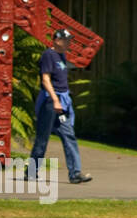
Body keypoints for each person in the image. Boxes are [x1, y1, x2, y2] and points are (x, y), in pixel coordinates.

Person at [29, 28, 91, 184]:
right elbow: (45, 79)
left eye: (69, 40)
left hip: (62, 102)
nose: (68, 43)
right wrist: (55, 99)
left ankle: (75, 173)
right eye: (66, 40)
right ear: (56, 40)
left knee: (68, 135)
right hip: (50, 102)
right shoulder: (48, 55)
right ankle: (31, 171)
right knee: (43, 138)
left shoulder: (62, 56)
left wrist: (63, 101)